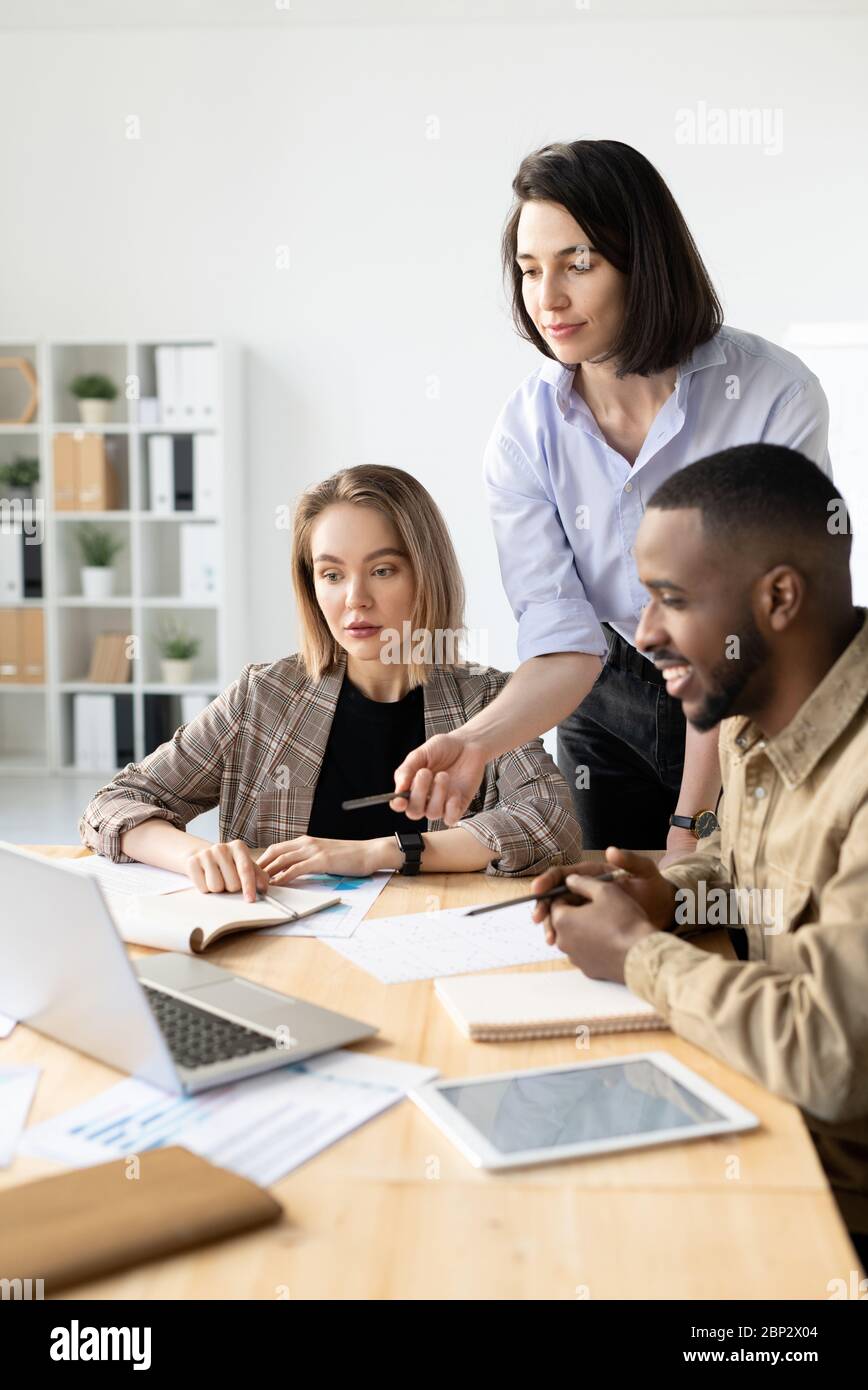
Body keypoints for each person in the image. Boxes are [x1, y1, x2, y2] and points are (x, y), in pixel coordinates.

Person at [390, 139, 830, 866]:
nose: (548, 299)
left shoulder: (770, 396)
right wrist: (474, 743)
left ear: (643, 261)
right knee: (620, 921)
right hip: (609, 693)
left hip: (753, 690)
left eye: (577, 264)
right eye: (531, 271)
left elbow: (743, 637)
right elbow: (564, 642)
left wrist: (694, 823)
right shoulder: (525, 433)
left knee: (739, 919)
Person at [530, 443, 868, 1265]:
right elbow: (760, 880)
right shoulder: (762, 712)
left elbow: (832, 1057)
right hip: (763, 1126)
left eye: (670, 601)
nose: (644, 635)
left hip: (833, 1214)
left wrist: (637, 955)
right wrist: (664, 893)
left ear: (779, 597)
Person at [79, 466, 581, 897]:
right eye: (332, 574)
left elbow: (551, 824)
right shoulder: (265, 697)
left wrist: (376, 854)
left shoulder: (487, 699)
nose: (355, 599)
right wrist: (200, 856)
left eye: (382, 570)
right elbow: (113, 806)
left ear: (425, 574)